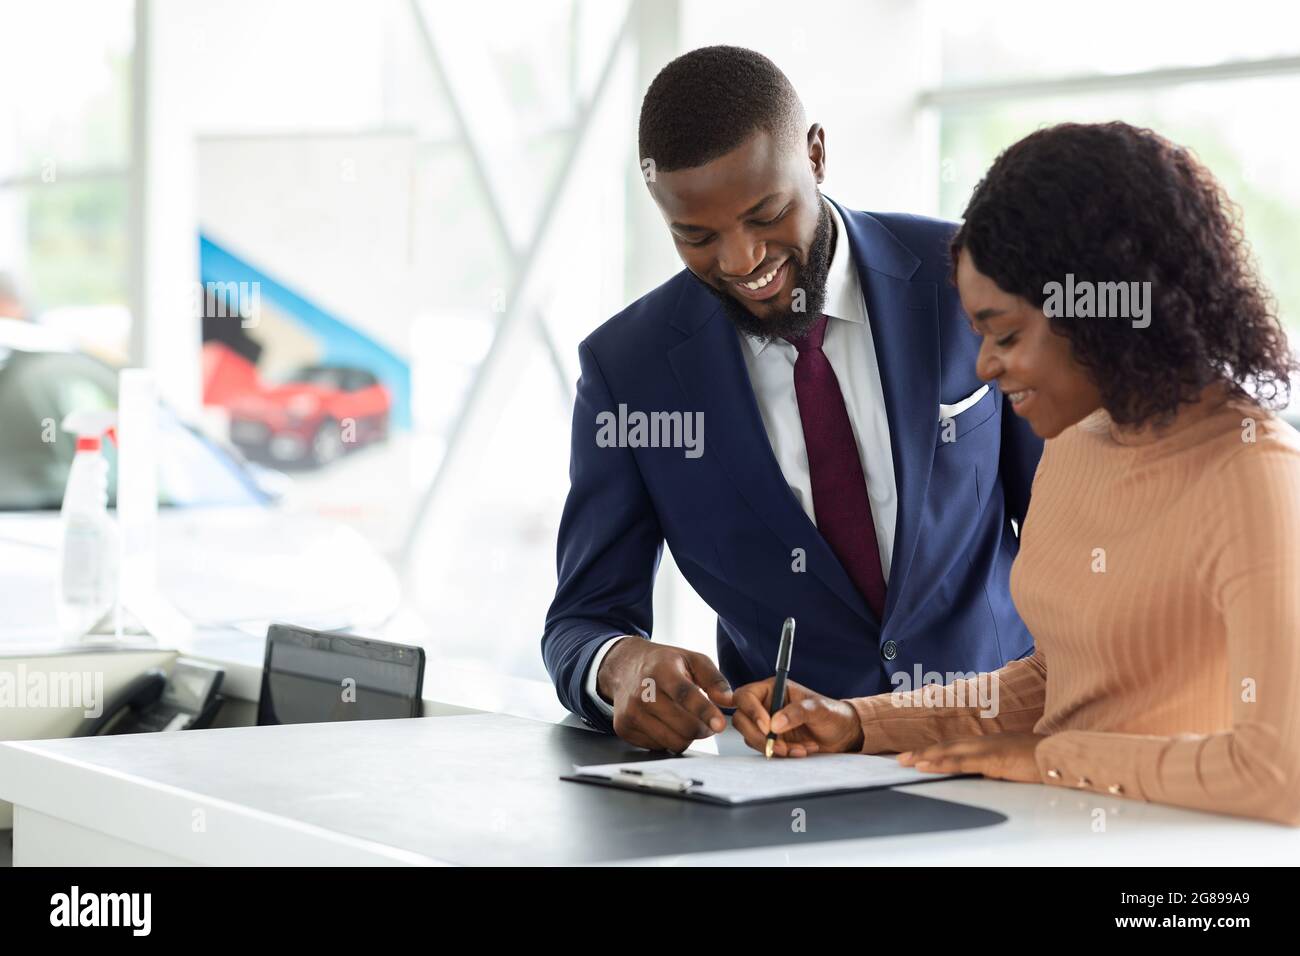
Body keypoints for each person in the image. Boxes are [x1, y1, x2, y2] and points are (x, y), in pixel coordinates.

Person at [732, 121, 1300, 825]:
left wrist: (1054, 759)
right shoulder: (1077, 442)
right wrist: (858, 722)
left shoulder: (1255, 477)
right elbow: (1056, 681)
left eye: (1005, 335)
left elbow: (1280, 773)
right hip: (1048, 837)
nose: (983, 368)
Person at [542, 46, 1043, 753]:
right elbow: (581, 619)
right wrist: (620, 667)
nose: (742, 261)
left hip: (997, 748)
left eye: (765, 213)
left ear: (815, 154)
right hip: (785, 779)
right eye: (697, 236)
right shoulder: (629, 372)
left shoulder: (965, 279)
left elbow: (1069, 526)